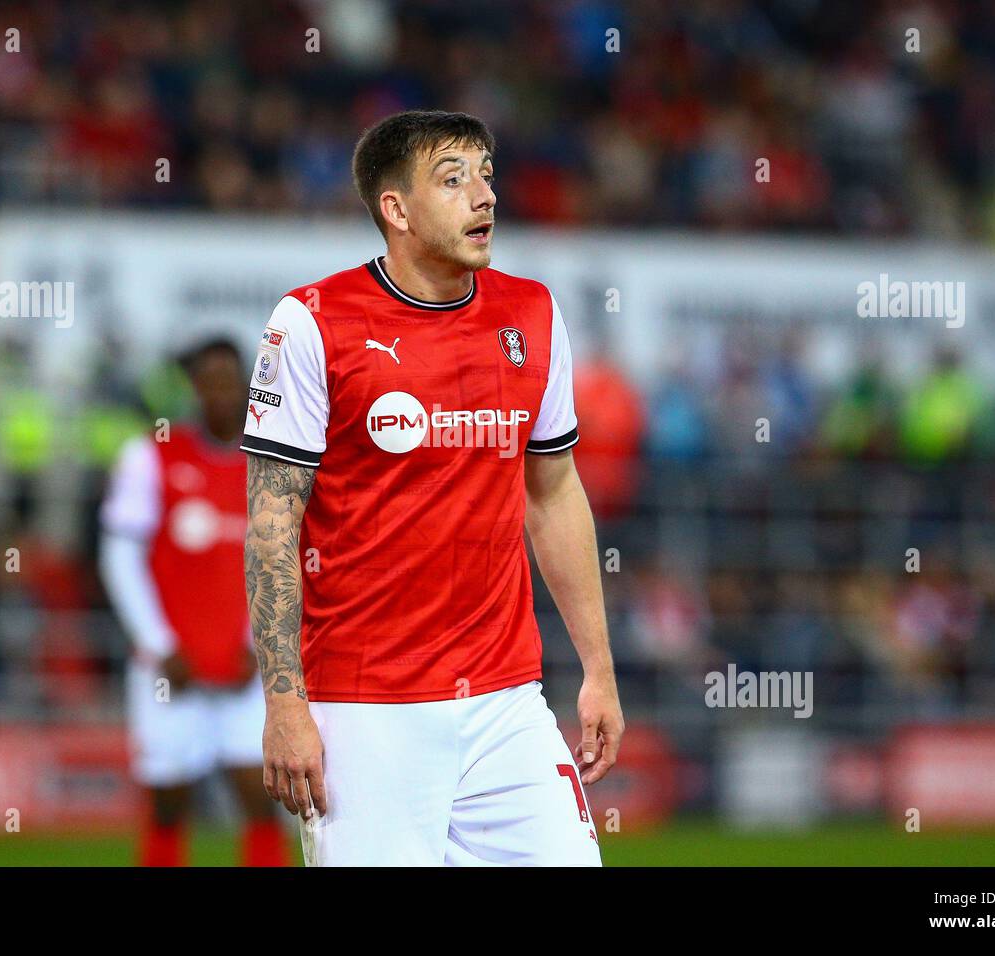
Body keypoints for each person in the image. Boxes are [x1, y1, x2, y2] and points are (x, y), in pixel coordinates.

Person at [242, 110, 623, 865]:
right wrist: (285, 703)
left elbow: (552, 496)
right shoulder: (314, 323)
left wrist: (599, 670)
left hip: (506, 698)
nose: (484, 195)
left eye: (487, 174)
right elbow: (272, 524)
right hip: (363, 708)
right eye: (454, 180)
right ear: (397, 209)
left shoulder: (534, 315)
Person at [100, 337, 288, 866]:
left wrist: (260, 644)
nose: (220, 393)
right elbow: (119, 557)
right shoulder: (149, 457)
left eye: (229, 380)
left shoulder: (270, 465)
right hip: (169, 670)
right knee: (167, 805)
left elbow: (285, 563)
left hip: (246, 667)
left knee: (261, 797)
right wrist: (160, 646)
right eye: (208, 381)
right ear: (192, 388)